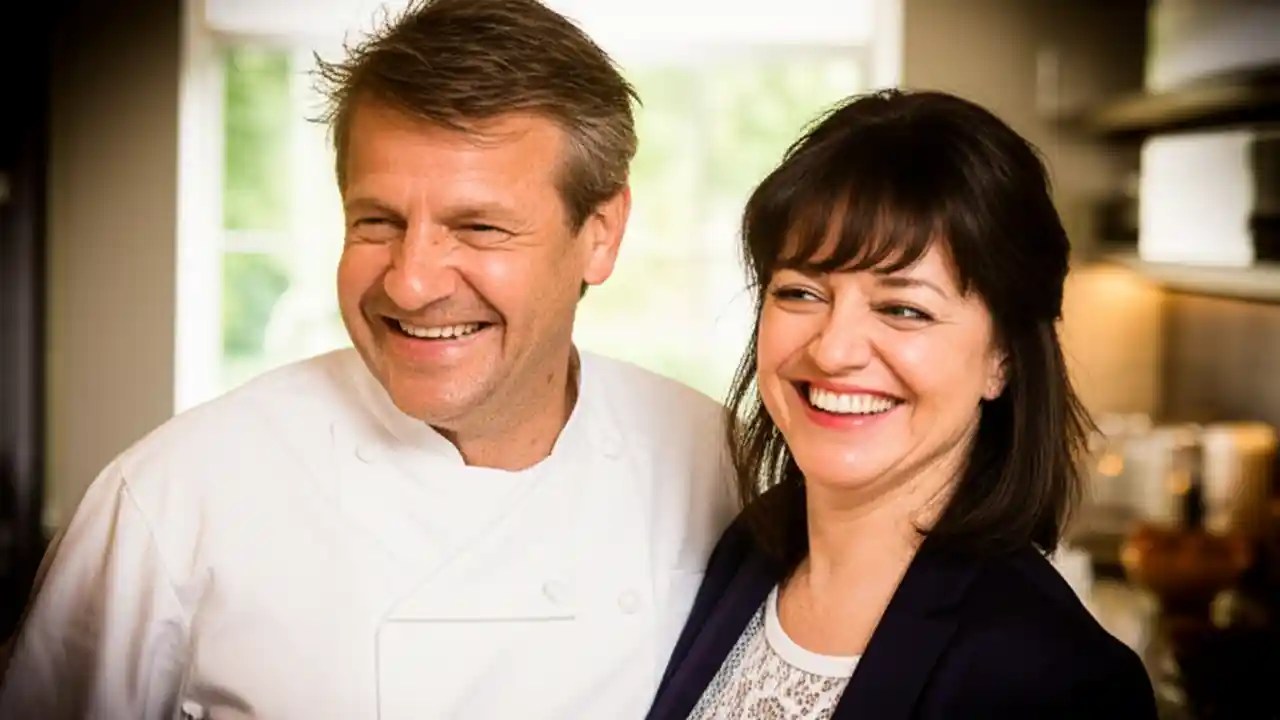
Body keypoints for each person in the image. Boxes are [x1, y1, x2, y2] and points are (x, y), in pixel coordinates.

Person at [0, 1, 734, 717]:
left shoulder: (719, 465)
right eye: (377, 222)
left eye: (478, 228)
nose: (411, 284)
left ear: (601, 234)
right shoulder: (172, 497)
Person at [647, 89, 1158, 719]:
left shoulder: (1059, 680)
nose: (833, 350)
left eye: (903, 309)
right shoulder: (747, 550)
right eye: (801, 293)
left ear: (1003, 358)